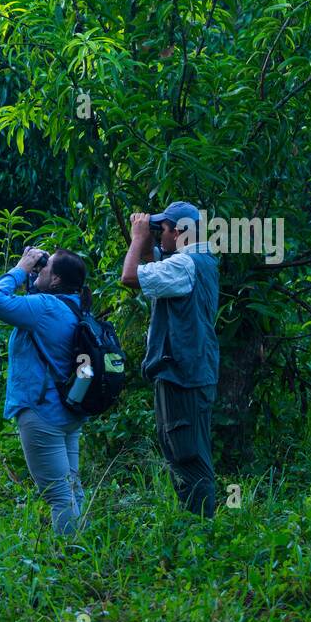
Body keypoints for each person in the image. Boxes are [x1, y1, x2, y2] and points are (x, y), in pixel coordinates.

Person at [120, 201, 219, 517]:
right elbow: (155, 273)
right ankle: (201, 528)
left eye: (161, 229)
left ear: (179, 232)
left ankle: (203, 531)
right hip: (188, 370)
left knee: (188, 456)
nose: (157, 234)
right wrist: (149, 246)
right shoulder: (199, 261)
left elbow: (130, 277)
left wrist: (137, 238)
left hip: (182, 372)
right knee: (185, 452)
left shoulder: (186, 265)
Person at [0, 246, 91, 537]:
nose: (38, 269)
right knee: (71, 488)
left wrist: (20, 267)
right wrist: (36, 272)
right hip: (69, 412)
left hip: (42, 414)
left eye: (45, 268)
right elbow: (34, 301)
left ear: (55, 280)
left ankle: (69, 562)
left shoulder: (44, 308)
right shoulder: (74, 305)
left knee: (58, 495)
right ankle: (85, 553)